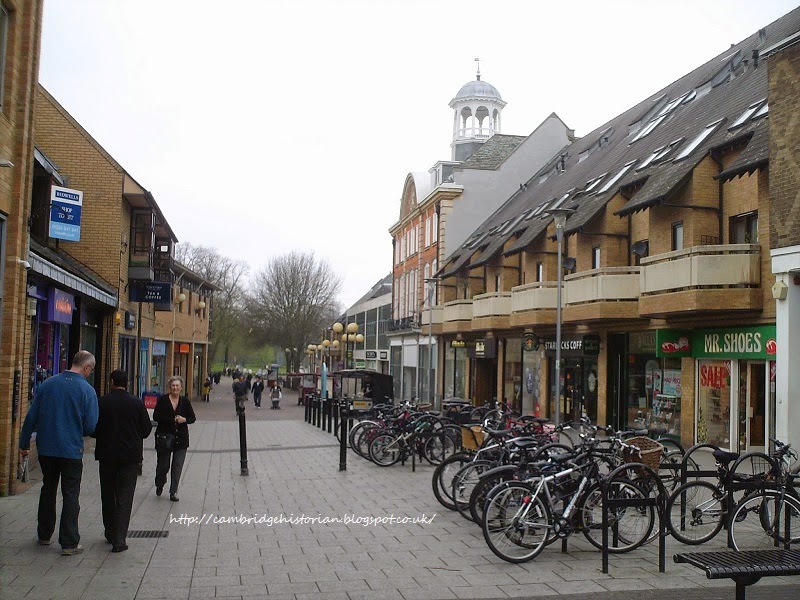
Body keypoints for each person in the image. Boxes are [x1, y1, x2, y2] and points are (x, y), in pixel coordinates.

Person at [18, 350, 99, 556]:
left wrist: (24, 444)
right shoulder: (87, 390)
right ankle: (69, 542)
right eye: (91, 369)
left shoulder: (48, 384)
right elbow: (90, 427)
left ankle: (44, 534)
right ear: (87, 367)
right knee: (71, 494)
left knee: (48, 489)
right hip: (71, 450)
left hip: (46, 449)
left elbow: (31, 417)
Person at [94, 370, 152, 553]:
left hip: (107, 456)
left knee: (108, 494)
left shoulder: (102, 402)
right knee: (125, 497)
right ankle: (119, 540)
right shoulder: (136, 403)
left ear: (111, 382)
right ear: (127, 383)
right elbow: (146, 429)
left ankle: (110, 531)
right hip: (130, 458)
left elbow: (93, 429)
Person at [153, 376, 196, 502]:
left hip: (181, 439)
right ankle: (160, 483)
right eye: (173, 386)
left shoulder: (185, 401)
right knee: (163, 466)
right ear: (169, 387)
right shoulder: (163, 400)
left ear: (181, 388)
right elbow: (156, 416)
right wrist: (172, 420)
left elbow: (192, 418)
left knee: (177, 466)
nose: (175, 388)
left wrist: (184, 420)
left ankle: (173, 492)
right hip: (165, 438)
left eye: (177, 386)